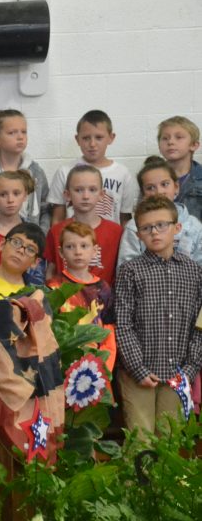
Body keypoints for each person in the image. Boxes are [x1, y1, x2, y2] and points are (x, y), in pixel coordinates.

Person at [114, 196, 202, 433]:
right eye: (146, 227)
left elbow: (200, 326)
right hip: (139, 373)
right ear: (139, 234)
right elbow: (123, 324)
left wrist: (190, 368)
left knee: (169, 443)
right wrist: (138, 368)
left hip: (178, 372)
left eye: (161, 225)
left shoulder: (194, 271)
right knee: (140, 442)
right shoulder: (130, 272)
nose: (155, 232)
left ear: (177, 228)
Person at [48, 110, 139, 225]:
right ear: (77, 139)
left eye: (99, 137)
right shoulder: (64, 171)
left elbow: (125, 218)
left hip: (110, 239)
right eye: (86, 138)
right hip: (73, 239)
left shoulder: (122, 174)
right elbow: (57, 217)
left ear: (111, 138)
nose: (92, 144)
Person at [48, 222, 117, 370]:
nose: (78, 252)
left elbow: (108, 329)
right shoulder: (53, 287)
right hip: (64, 365)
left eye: (84, 246)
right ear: (61, 252)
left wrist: (105, 367)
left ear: (95, 251)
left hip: (97, 366)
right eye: (70, 246)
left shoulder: (103, 288)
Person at [45, 165, 123, 286]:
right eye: (79, 190)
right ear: (67, 195)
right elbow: (50, 271)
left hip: (103, 301)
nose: (86, 196)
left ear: (102, 194)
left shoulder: (116, 232)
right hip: (66, 301)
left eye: (92, 190)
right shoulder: (56, 231)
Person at [118, 156, 202, 268]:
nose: (159, 191)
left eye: (165, 184)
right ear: (143, 194)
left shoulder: (194, 225)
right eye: (150, 187)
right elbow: (125, 269)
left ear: (176, 187)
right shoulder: (134, 227)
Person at [0, 109, 50, 231]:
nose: (20, 137)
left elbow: (45, 208)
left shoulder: (35, 171)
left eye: (23, 132)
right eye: (12, 133)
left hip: (30, 242)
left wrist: (41, 235)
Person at [158, 115, 202, 221]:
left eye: (179, 137)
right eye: (165, 138)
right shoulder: (151, 177)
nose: (170, 142)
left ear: (194, 145)